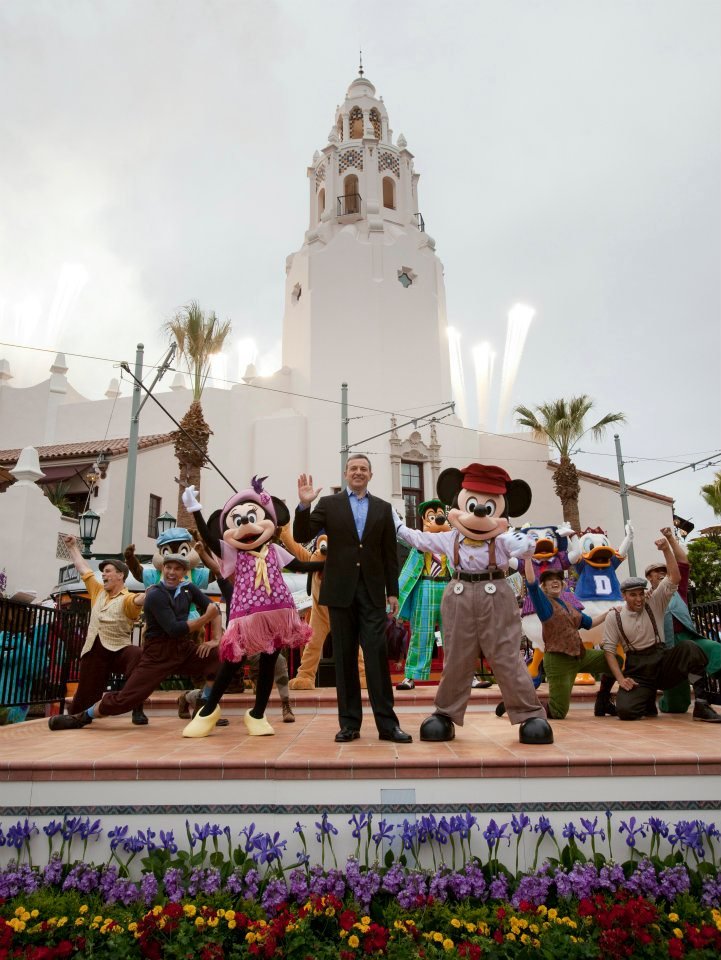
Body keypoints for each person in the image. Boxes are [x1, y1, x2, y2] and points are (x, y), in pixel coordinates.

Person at [293, 455, 412, 743]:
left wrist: (392, 591)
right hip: (339, 591)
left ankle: (387, 725)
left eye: (363, 469)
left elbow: (389, 555)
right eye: (353, 468)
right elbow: (301, 533)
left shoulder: (383, 509)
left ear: (371, 474)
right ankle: (349, 724)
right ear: (346, 473)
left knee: (375, 656)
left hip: (371, 593)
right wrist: (304, 505)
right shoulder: (329, 504)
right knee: (345, 659)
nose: (358, 473)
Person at [49, 554, 220, 730]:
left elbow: (214, 608)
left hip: (182, 649)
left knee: (220, 657)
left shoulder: (188, 588)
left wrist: (215, 639)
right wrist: (206, 617)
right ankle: (83, 716)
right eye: (168, 567)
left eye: (177, 568)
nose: (171, 572)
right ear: (162, 569)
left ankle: (205, 705)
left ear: (184, 572)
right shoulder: (155, 594)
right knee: (124, 700)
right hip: (157, 654)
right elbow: (174, 628)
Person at [602, 532, 710, 721]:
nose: (638, 599)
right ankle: (646, 700)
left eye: (640, 594)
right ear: (624, 596)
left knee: (690, 648)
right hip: (638, 670)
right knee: (627, 712)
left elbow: (674, 577)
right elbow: (609, 651)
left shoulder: (655, 603)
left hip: (662, 662)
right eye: (632, 595)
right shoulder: (615, 616)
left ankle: (702, 703)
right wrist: (620, 679)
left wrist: (666, 549)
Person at [497, 559, 616, 719]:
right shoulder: (544, 604)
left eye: (558, 579)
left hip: (580, 656)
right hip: (558, 661)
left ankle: (603, 700)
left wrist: (609, 612)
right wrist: (527, 559)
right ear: (544, 586)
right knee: (558, 712)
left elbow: (590, 623)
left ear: (562, 584)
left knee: (614, 660)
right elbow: (531, 583)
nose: (555, 582)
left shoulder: (569, 605)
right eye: (549, 580)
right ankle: (518, 702)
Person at [56, 534, 146, 724]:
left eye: (107, 571)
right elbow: (84, 569)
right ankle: (77, 717)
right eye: (103, 572)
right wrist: (73, 547)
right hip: (94, 650)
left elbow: (137, 601)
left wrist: (151, 593)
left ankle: (137, 708)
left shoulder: (127, 598)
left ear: (120, 575)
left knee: (138, 655)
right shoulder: (98, 591)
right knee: (85, 693)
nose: (103, 575)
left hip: (119, 649)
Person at [648, 527, 721, 722]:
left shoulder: (678, 589)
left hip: (688, 638)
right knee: (676, 707)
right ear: (650, 578)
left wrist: (671, 539)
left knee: (715, 649)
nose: (662, 573)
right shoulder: (646, 598)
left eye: (664, 570)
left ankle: (704, 699)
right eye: (657, 572)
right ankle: (666, 698)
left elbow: (682, 562)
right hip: (668, 649)